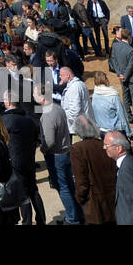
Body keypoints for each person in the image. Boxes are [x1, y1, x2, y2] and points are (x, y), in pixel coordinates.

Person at [1, 89, 46, 225]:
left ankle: (27, 222)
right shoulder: (27, 119)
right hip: (29, 160)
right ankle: (41, 219)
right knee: (33, 191)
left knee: (23, 195)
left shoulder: (5, 120)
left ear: (8, 102)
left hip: (15, 163)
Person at [39, 85, 82, 225]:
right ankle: (78, 214)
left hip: (56, 156)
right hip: (65, 152)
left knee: (63, 187)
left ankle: (72, 219)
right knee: (70, 185)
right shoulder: (58, 108)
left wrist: (43, 149)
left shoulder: (47, 114)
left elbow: (49, 141)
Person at [69, 114, 116, 224]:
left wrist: (80, 198)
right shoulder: (104, 144)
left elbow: (81, 180)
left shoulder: (77, 149)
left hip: (94, 203)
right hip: (111, 200)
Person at [109, 28, 133, 128]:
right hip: (131, 77)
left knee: (125, 96)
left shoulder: (115, 46)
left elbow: (113, 60)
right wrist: (126, 75)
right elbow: (131, 64)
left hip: (121, 76)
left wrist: (120, 74)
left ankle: (129, 117)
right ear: (129, 37)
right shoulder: (131, 49)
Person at [90, 71, 132, 140]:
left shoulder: (95, 95)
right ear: (106, 79)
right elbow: (122, 116)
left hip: (102, 131)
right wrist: (129, 134)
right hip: (115, 132)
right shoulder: (113, 95)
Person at [59, 66, 94, 136]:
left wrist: (67, 119)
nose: (60, 77)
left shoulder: (74, 87)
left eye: (61, 75)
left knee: (78, 146)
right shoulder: (79, 84)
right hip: (82, 125)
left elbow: (75, 111)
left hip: (78, 128)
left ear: (68, 75)